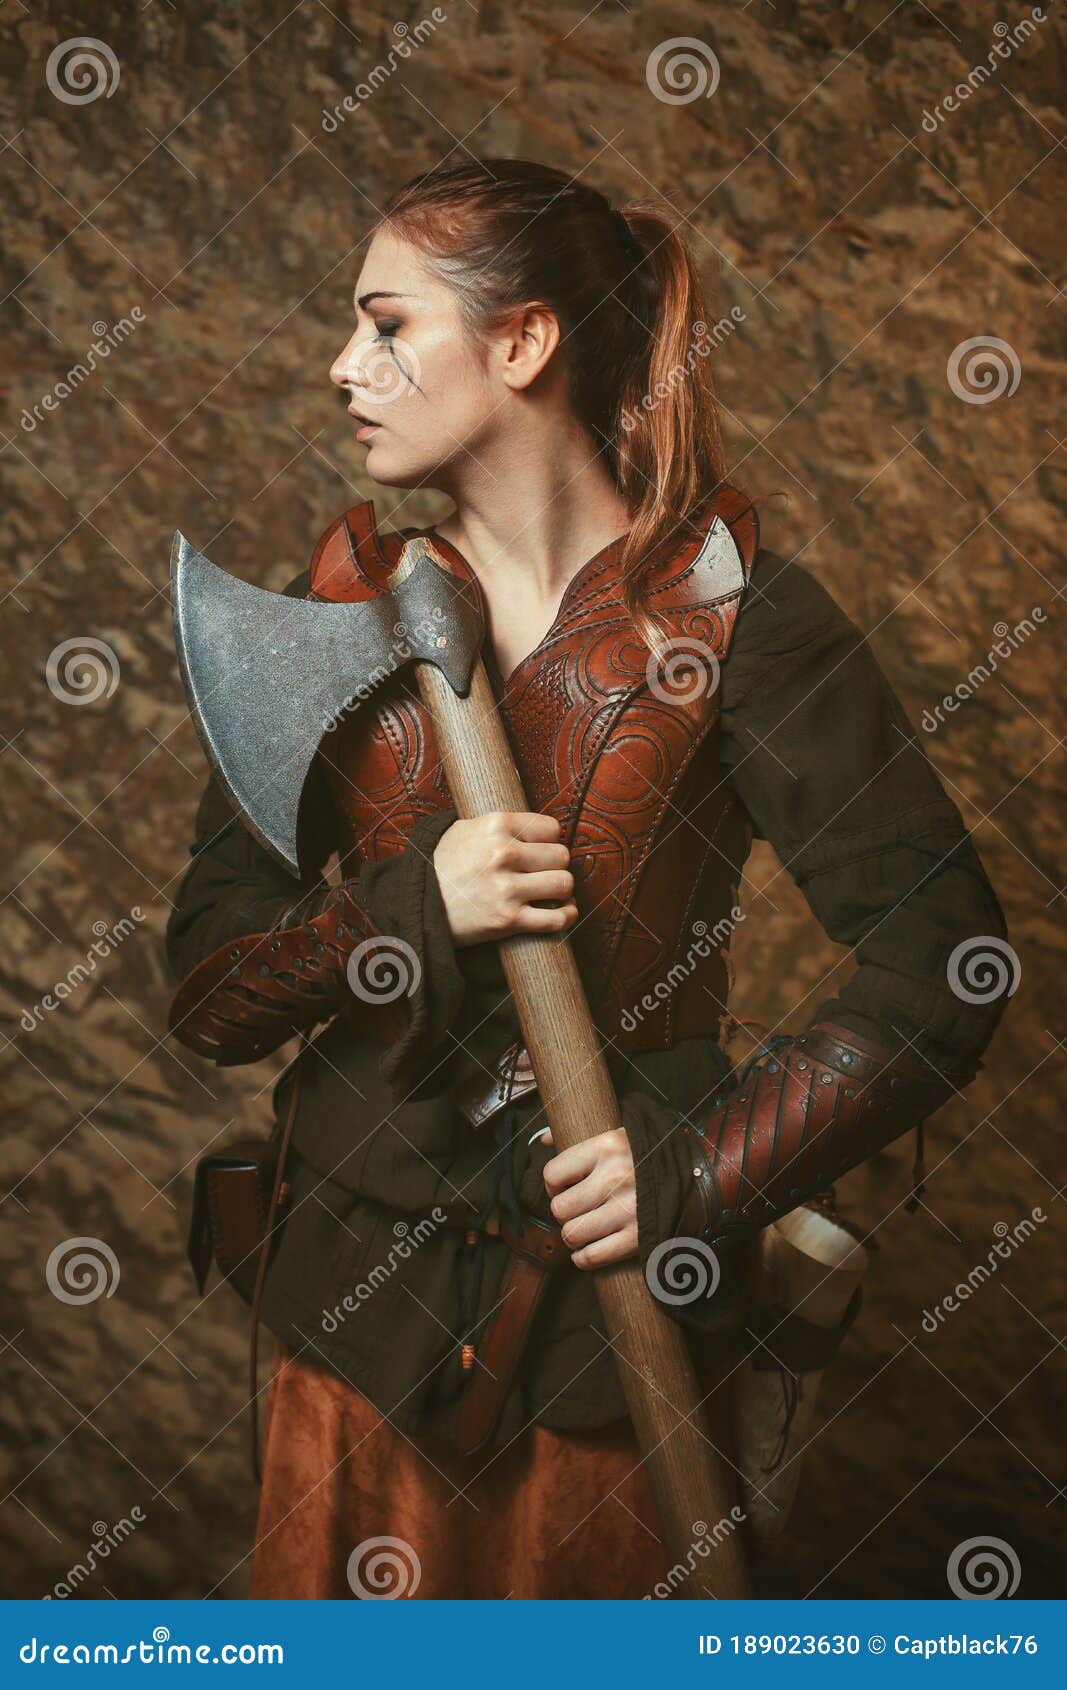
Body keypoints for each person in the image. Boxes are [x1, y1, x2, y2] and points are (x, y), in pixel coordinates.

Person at [164, 158, 1008, 1600]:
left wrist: (698, 1170)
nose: (341, 365)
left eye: (385, 324)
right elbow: (206, 981)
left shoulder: (732, 623)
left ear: (523, 343)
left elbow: (945, 962)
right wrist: (415, 910)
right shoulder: (340, 610)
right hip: (353, 1325)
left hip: (612, 1340)